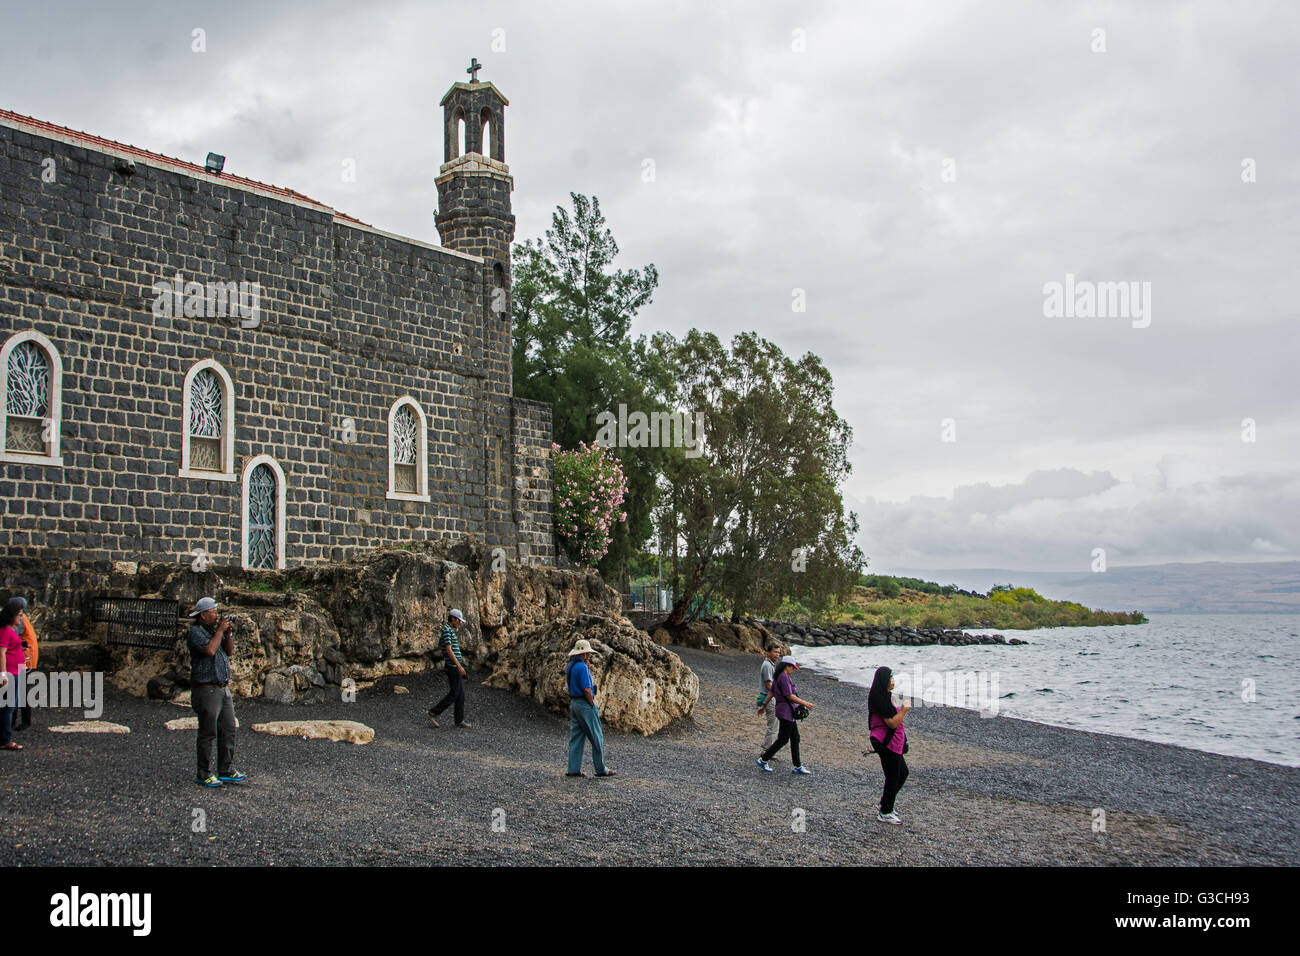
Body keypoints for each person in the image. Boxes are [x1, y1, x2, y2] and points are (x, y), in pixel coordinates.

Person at [187, 597, 246, 787]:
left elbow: (228, 652)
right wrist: (220, 630)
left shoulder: (215, 632)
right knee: (208, 732)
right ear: (203, 615)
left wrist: (227, 633)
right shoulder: (195, 632)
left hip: (222, 689)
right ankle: (203, 772)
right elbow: (210, 651)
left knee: (228, 729)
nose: (217, 614)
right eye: (213, 611)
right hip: (206, 690)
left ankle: (225, 769)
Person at [866, 665, 911, 824]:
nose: (893, 680)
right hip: (886, 742)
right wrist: (904, 710)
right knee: (893, 776)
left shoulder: (885, 695)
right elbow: (892, 723)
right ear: (885, 680)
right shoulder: (880, 698)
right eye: (891, 678)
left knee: (902, 773)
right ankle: (885, 811)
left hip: (893, 742)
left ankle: (885, 803)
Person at [565, 638, 614, 778]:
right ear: (585, 654)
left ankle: (573, 768)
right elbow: (587, 689)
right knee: (596, 736)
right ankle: (601, 768)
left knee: (576, 736)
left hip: (574, 703)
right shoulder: (582, 667)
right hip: (584, 704)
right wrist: (592, 703)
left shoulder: (571, 666)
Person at [757, 655, 813, 774]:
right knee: (783, 739)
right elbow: (789, 696)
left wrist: (764, 705)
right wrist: (805, 703)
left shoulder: (778, 676)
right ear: (787, 666)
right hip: (786, 712)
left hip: (784, 711)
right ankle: (763, 759)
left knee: (795, 737)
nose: (793, 670)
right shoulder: (783, 677)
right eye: (792, 668)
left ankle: (797, 766)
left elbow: (772, 692)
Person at [429, 608, 471, 728]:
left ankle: (459, 720)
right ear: (453, 618)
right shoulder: (447, 630)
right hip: (453, 667)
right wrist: (459, 666)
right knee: (455, 693)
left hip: (454, 666)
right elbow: (448, 649)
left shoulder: (450, 630)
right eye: (459, 620)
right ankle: (433, 712)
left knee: (460, 694)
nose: (460, 623)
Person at [0, 598, 26, 751]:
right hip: (10, 673)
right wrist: (2, 674)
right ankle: (4, 738)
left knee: (9, 706)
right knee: (8, 707)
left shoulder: (9, 630)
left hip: (15, 671)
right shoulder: (5, 631)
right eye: (19, 615)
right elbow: (1, 653)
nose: (21, 618)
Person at [15, 598, 37, 731]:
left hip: (24, 657)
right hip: (26, 656)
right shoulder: (22, 616)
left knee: (20, 689)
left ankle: (25, 720)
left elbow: (13, 634)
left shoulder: (20, 618)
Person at [755, 644, 782, 756]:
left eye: (778, 653)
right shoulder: (767, 665)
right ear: (768, 652)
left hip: (769, 697)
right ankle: (767, 751)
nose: (777, 655)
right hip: (768, 697)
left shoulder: (771, 665)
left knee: (774, 724)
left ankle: (768, 749)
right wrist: (780, 694)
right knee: (773, 725)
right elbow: (768, 684)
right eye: (775, 652)